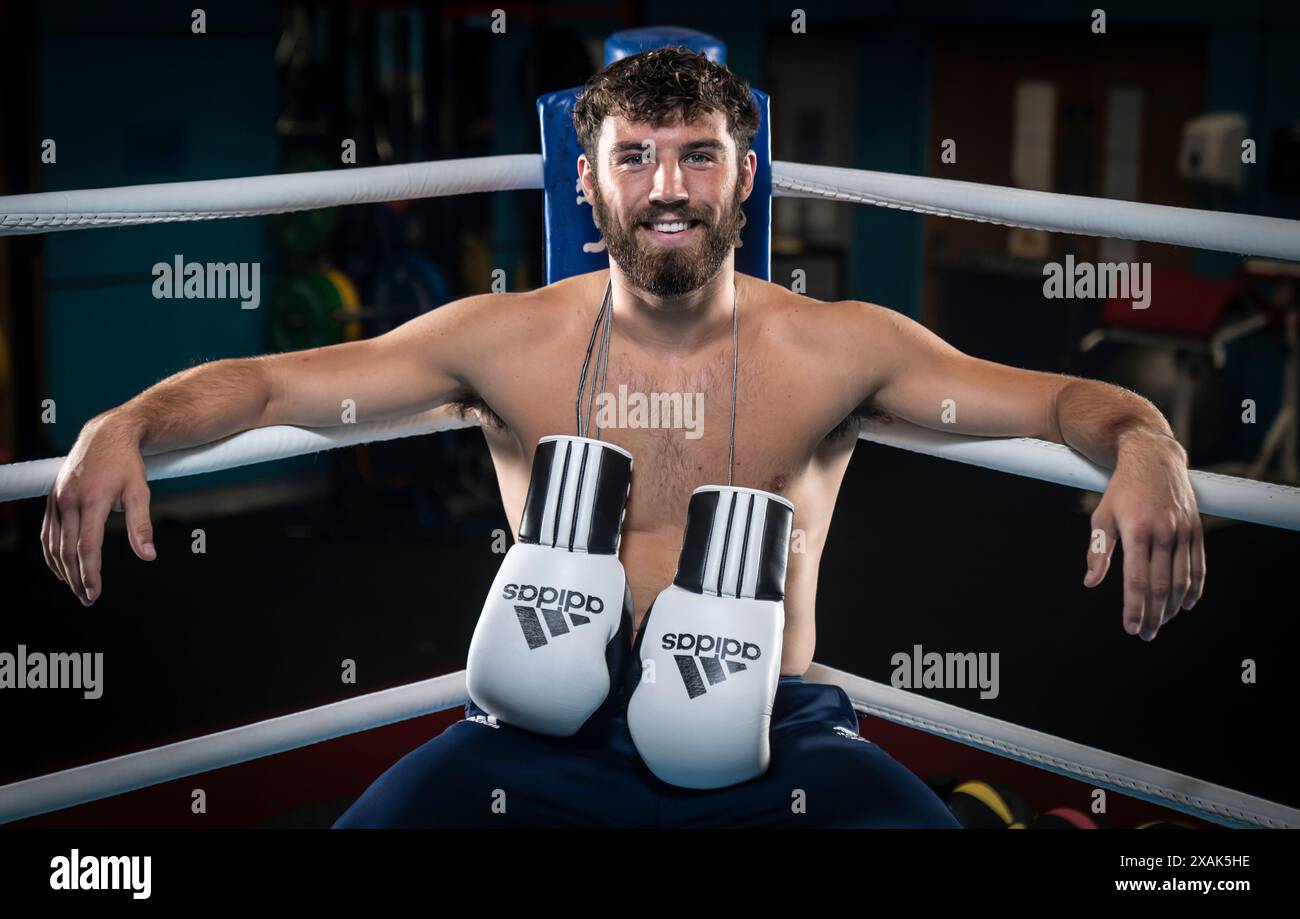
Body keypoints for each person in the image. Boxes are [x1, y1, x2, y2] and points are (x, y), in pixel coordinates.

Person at [40, 48, 1204, 827]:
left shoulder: (844, 347)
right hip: (536, 732)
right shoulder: (496, 342)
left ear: (747, 178)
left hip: (773, 738)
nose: (668, 186)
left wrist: (1145, 439)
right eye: (633, 157)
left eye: (698, 152)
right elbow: (264, 382)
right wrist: (123, 421)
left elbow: (1063, 402)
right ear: (586, 189)